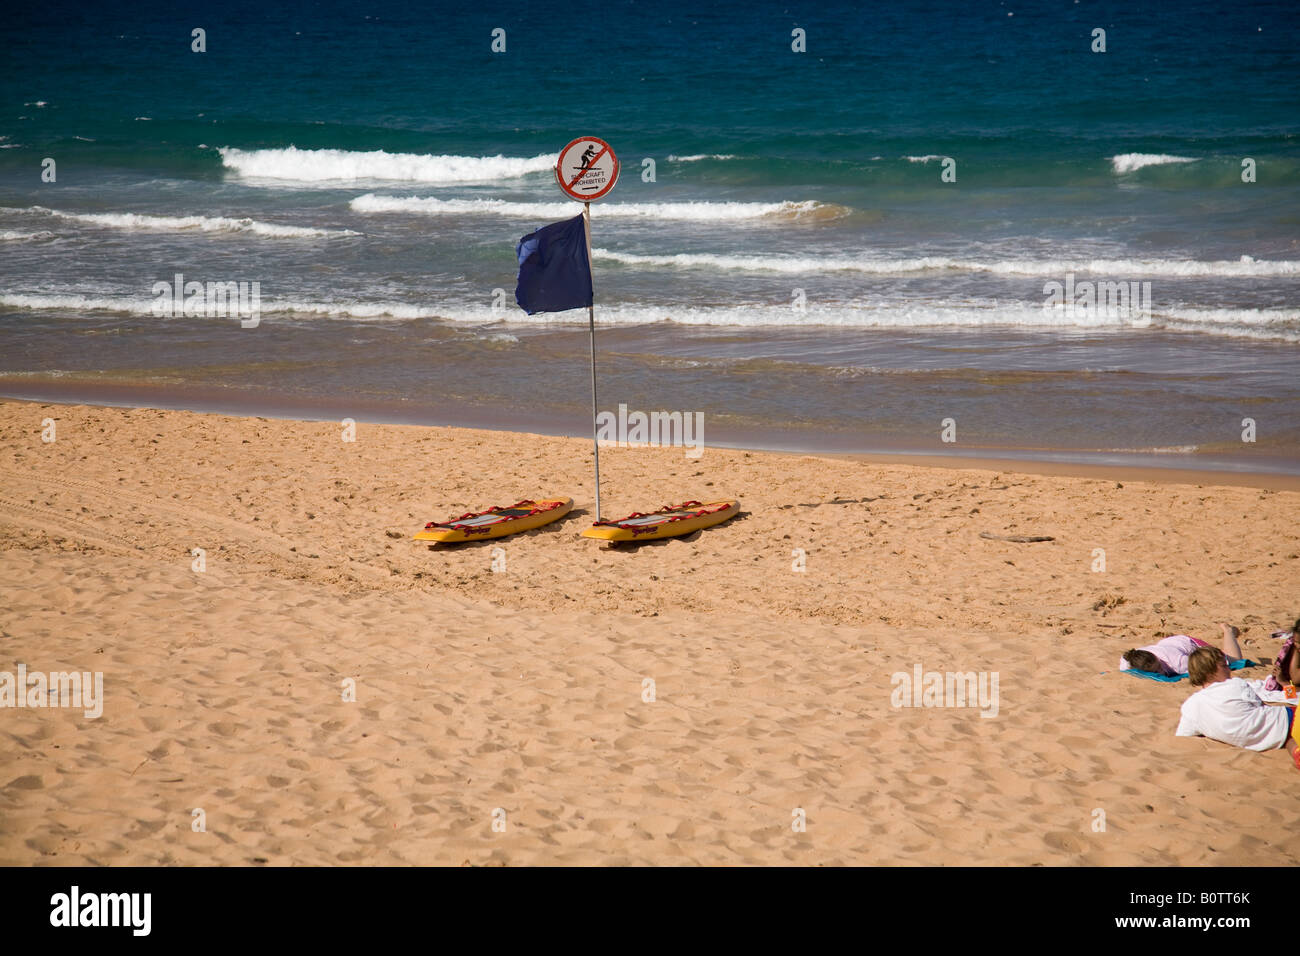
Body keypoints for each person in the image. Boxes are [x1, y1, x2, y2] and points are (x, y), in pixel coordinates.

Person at [1176, 644, 1299, 769]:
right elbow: (1262, 705)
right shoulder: (1235, 684)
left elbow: (1184, 735)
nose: (1229, 669)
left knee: (1288, 738)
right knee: (1288, 724)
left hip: (1258, 740)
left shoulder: (1190, 705)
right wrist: (1284, 683)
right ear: (1208, 673)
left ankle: (1297, 752)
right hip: (1282, 721)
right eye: (1224, 665)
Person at [1120, 623, 1243, 677]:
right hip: (1169, 644)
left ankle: (1228, 631)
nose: (1160, 671)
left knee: (1233, 660)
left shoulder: (1178, 663)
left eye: (1159, 666)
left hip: (1191, 644)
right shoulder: (1128, 661)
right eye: (1156, 670)